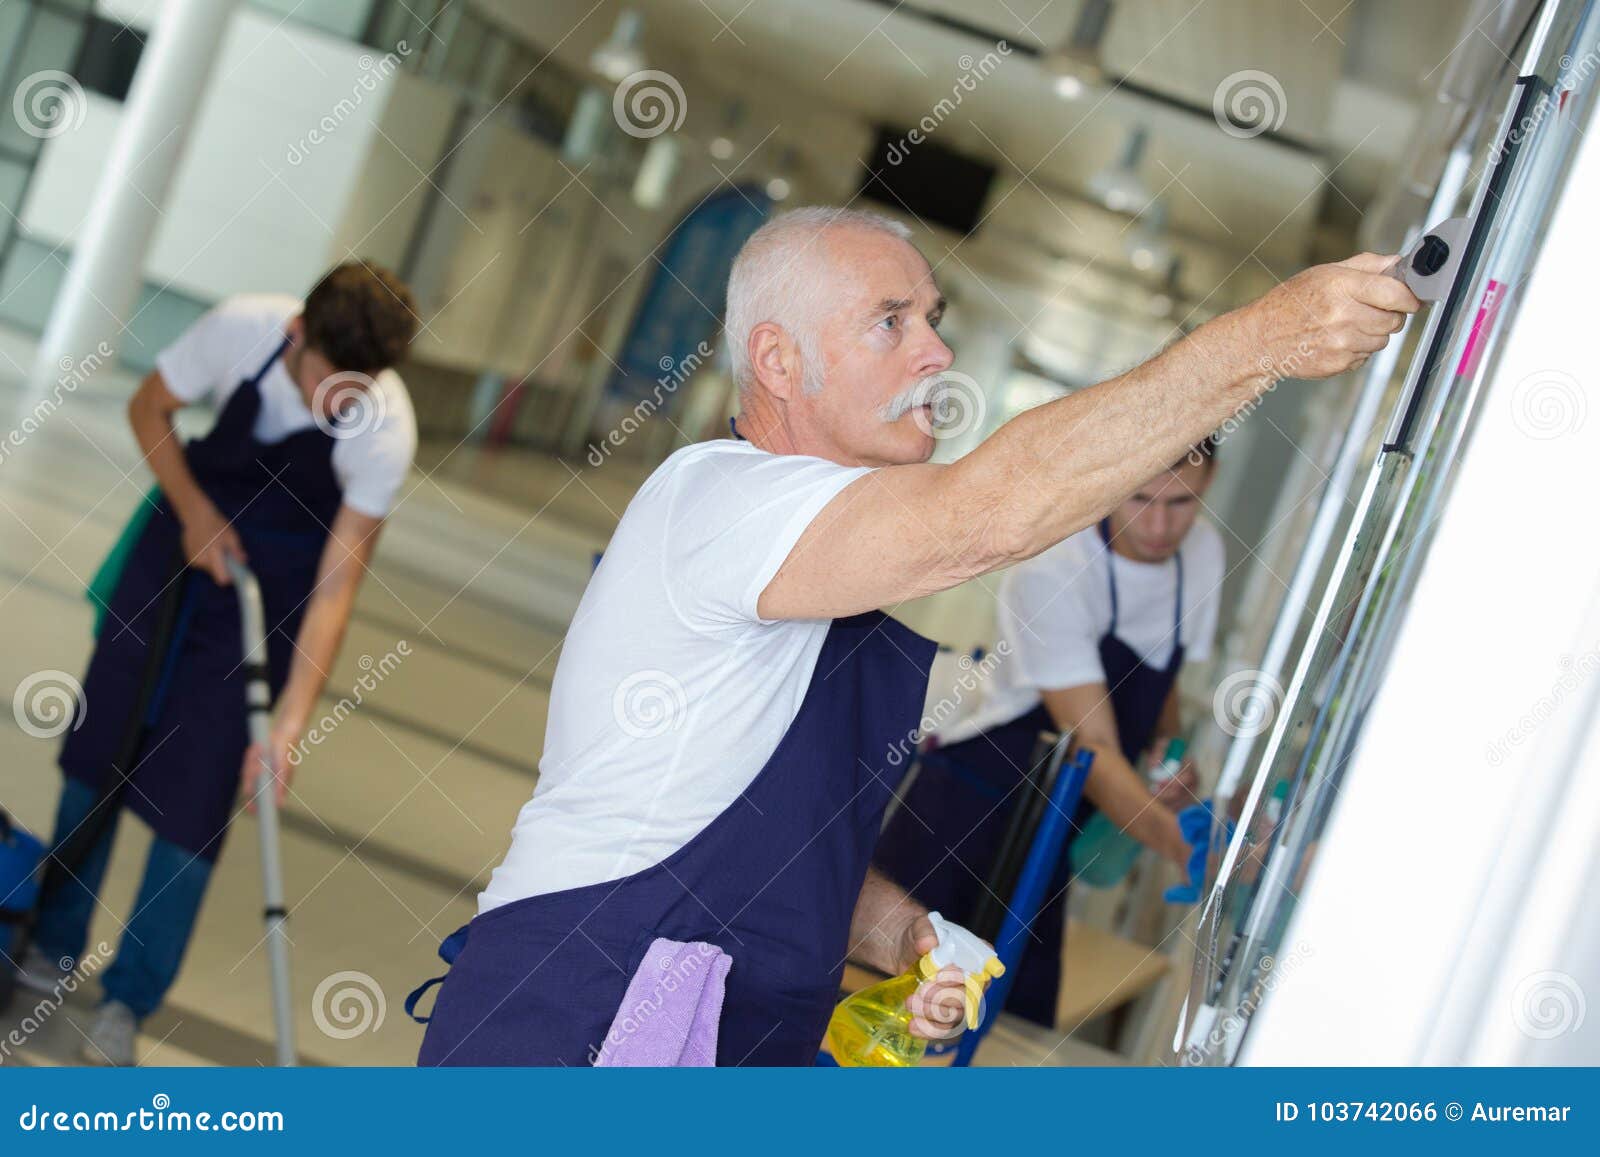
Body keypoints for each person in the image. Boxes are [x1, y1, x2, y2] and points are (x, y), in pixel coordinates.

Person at [411, 206, 1417, 1067]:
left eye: (933, 319)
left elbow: (768, 836)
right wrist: (1263, 342)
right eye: (889, 321)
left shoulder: (829, 571)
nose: (935, 351)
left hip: (741, 1031)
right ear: (778, 358)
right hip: (586, 1008)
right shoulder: (717, 498)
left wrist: (902, 931)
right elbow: (986, 515)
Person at [19, 261, 419, 1065]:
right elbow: (150, 407)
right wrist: (197, 512)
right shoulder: (241, 325)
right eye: (320, 381)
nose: (331, 403)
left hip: (265, 604)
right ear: (295, 333)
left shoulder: (382, 429)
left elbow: (338, 584)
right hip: (171, 559)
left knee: (197, 801)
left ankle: (130, 997)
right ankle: (52, 946)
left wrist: (292, 723)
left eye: (352, 388)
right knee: (98, 753)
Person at [874, 442, 1225, 1027]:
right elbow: (1095, 746)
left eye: (1182, 504)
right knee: (902, 999)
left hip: (1055, 820)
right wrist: (1191, 852)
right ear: (1114, 481)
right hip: (973, 803)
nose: (1161, 526)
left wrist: (1169, 749)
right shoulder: (1054, 570)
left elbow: (1160, 675)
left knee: (1016, 1016)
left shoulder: (1205, 555)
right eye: (1141, 499)